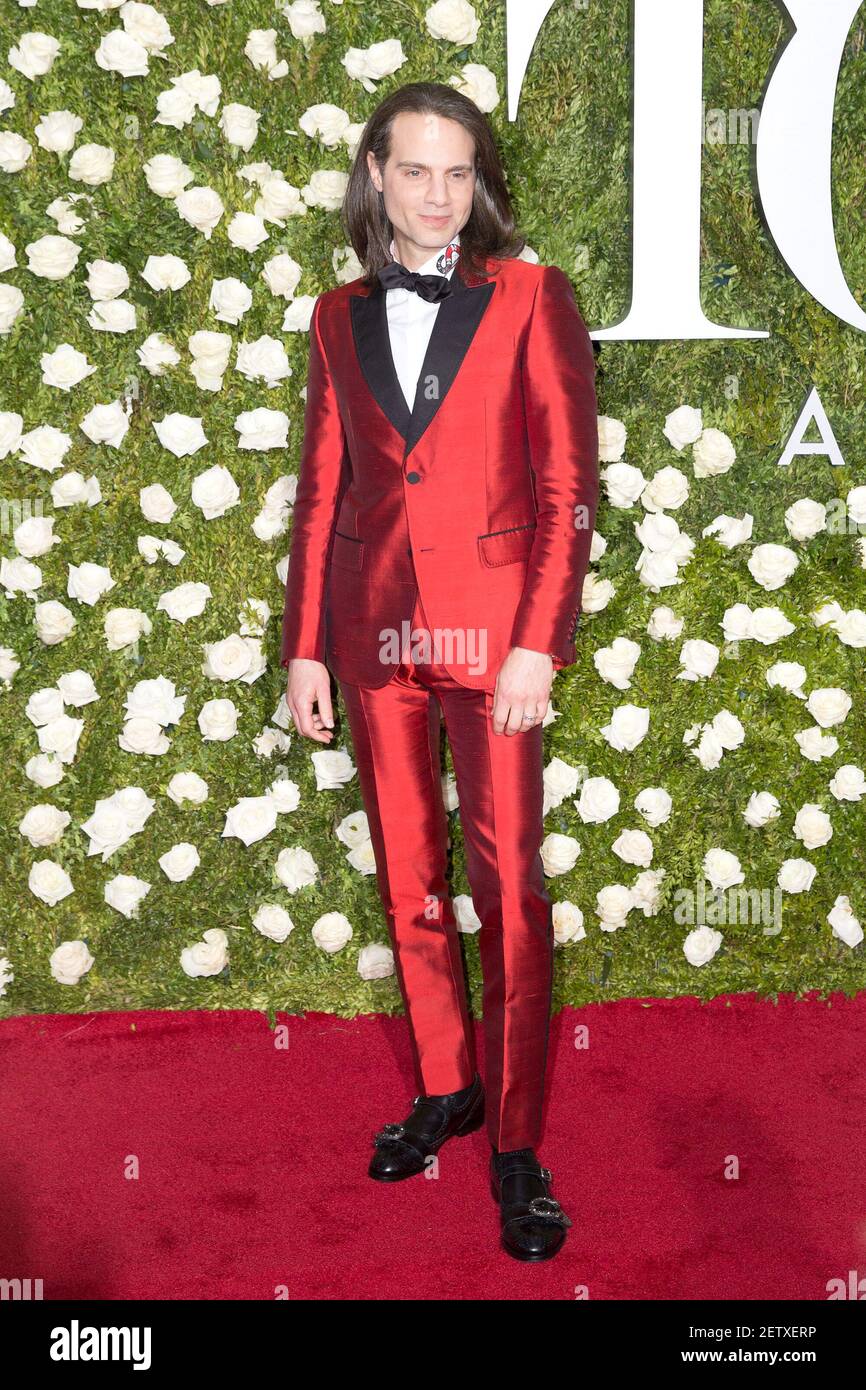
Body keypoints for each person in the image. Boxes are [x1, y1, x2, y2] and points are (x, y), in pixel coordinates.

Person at [280, 81, 599, 1262]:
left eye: (457, 174)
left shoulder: (530, 296)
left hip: (491, 641)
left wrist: (536, 644)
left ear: (479, 183)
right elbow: (324, 495)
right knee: (408, 878)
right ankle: (445, 1084)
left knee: (508, 888)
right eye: (414, 170)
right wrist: (305, 647)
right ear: (374, 174)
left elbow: (567, 490)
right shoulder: (333, 314)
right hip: (375, 646)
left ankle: (515, 1145)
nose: (435, 195)